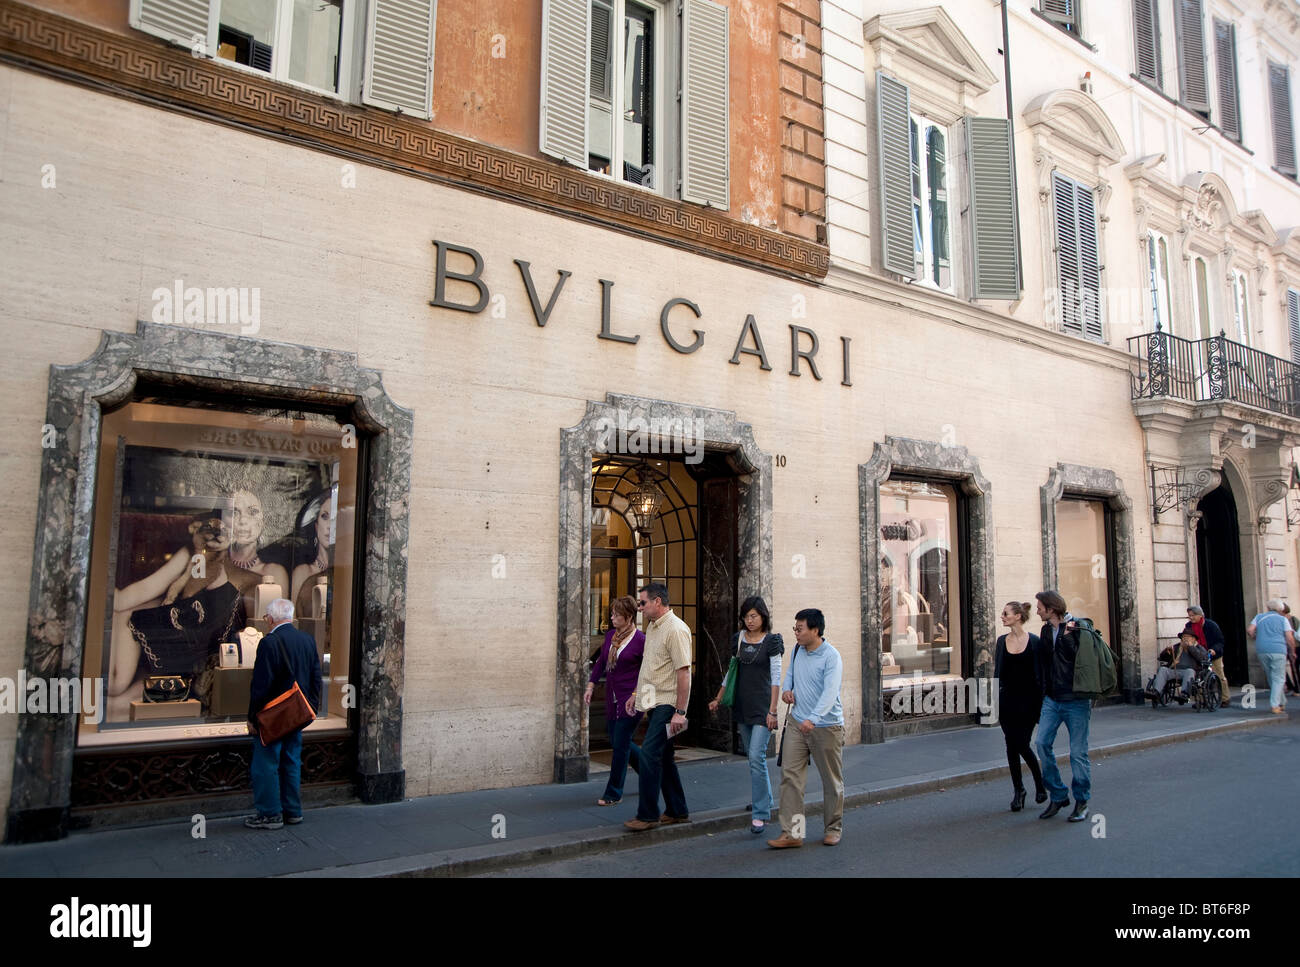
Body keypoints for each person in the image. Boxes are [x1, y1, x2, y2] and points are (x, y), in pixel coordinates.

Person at [768, 608, 844, 848]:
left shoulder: (831, 656)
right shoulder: (798, 649)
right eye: (795, 628)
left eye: (800, 629)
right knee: (791, 778)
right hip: (797, 723)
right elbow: (790, 674)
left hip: (826, 726)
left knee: (831, 781)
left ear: (815, 630)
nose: (796, 633)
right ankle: (793, 833)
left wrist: (814, 718)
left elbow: (830, 693)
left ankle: (833, 828)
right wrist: (788, 690)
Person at [708, 596, 784, 834]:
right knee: (754, 759)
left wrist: (773, 710)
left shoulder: (772, 642)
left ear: (763, 617)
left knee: (755, 756)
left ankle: (760, 813)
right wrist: (718, 698)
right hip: (742, 705)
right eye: (746, 616)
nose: (750, 621)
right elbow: (730, 672)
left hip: (762, 708)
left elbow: (776, 678)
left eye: (754, 616)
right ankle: (766, 800)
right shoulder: (738, 639)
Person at [245, 598, 323, 829]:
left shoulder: (269, 642)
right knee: (291, 761)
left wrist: (252, 717)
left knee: (266, 763)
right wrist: (312, 707)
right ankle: (293, 811)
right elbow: (316, 677)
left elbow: (261, 685)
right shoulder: (307, 640)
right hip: (297, 713)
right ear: (291, 617)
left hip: (272, 715)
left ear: (269, 619)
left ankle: (270, 813)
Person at [623, 583, 692, 831]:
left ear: (658, 602)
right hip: (654, 703)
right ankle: (677, 810)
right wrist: (636, 694)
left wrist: (680, 712)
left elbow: (684, 672)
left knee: (650, 755)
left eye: (643, 603)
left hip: (668, 705)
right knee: (664, 757)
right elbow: (650, 667)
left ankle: (648, 815)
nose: (639, 607)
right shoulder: (653, 628)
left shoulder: (676, 629)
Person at [1033, 590, 1092, 822]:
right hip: (1052, 699)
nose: (1037, 611)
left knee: (1078, 753)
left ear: (1051, 609)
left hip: (1076, 700)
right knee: (1041, 743)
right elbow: (1046, 662)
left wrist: (1067, 633)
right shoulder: (1046, 630)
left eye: (1040, 607)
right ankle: (1058, 794)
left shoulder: (1076, 627)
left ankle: (1082, 800)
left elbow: (1082, 661)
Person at [585, 595, 645, 806]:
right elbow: (602, 662)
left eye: (616, 615)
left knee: (620, 745)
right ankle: (650, 770)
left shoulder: (641, 640)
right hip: (612, 697)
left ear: (628, 617)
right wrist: (591, 685)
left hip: (632, 698)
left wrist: (636, 694)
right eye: (612, 614)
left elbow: (647, 672)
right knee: (618, 740)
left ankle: (613, 792)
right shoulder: (611, 636)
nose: (612, 618)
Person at [994, 601, 1044, 812]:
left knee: (1021, 744)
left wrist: (1042, 705)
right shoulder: (1001, 641)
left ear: (1017, 616)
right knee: (1010, 746)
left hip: (1029, 702)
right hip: (1007, 702)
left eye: (1006, 613)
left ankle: (1040, 785)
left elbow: (1040, 675)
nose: (1002, 616)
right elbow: (998, 673)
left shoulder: (1034, 642)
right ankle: (1019, 790)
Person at [1247, 598, 1296, 715]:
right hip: (1278, 649)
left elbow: (1250, 630)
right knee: (1279, 678)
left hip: (1262, 649)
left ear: (1268, 607)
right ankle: (1274, 705)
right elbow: (1289, 637)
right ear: (1280, 609)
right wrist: (1292, 651)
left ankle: (1282, 702)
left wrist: (1255, 637)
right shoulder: (1282, 619)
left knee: (1271, 676)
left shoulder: (1259, 617)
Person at [1147, 625, 1206, 704]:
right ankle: (1156, 692)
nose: (1185, 639)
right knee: (1163, 669)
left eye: (1188, 637)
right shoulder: (1177, 647)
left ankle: (1184, 694)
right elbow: (1162, 658)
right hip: (1174, 670)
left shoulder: (1198, 647)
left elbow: (1202, 658)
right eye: (1184, 637)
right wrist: (1166, 651)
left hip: (1189, 671)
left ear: (1193, 639)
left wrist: (1191, 647)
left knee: (1189, 671)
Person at [1187, 606, 1230, 706]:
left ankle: (1225, 698)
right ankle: (1201, 700)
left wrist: (1214, 649)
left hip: (1213, 654)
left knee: (1219, 676)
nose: (1191, 618)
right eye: (1189, 616)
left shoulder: (1211, 625)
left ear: (1200, 615)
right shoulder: (1188, 626)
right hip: (1198, 655)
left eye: (1193, 615)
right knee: (1198, 678)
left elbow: (1220, 641)